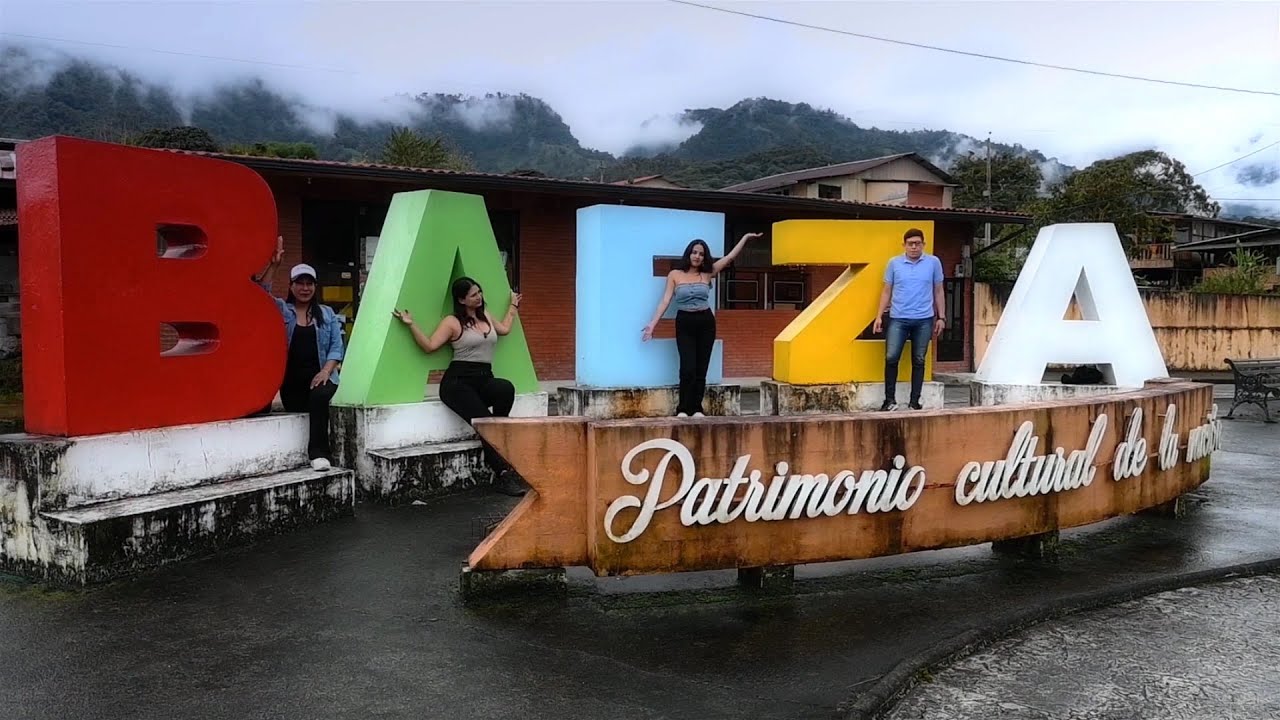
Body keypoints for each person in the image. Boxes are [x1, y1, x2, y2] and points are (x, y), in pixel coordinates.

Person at [392, 277, 527, 497]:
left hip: (484, 378)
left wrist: (513, 305)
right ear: (461, 300)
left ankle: (497, 437)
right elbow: (430, 346)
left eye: (479, 292)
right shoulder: (452, 322)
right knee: (485, 423)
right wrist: (411, 324)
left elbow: (504, 329)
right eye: (473, 295)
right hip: (458, 382)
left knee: (505, 389)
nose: (479, 297)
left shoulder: (486, 316)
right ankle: (502, 473)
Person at [642, 232, 763, 417]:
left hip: (706, 322)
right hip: (685, 322)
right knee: (687, 368)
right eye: (694, 252)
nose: (697, 256)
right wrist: (652, 325)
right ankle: (683, 408)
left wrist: (745, 237)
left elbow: (729, 258)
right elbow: (665, 300)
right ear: (688, 253)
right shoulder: (675, 274)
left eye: (701, 254)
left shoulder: (707, 273)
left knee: (701, 368)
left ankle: (697, 408)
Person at [255, 237, 346, 471]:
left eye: (309, 284)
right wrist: (274, 265)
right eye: (300, 283)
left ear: (315, 287)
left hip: (322, 378)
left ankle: (319, 454)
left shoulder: (327, 314)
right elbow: (259, 295)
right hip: (293, 383)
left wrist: (325, 371)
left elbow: (336, 348)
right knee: (297, 405)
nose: (305, 288)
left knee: (319, 396)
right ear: (291, 286)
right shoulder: (283, 310)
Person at [872, 228, 945, 411]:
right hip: (898, 318)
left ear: (923, 245)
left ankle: (914, 402)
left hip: (924, 319)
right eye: (910, 244)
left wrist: (942, 317)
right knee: (891, 357)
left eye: (917, 243)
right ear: (904, 245)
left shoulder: (933, 262)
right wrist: (879, 316)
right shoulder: (894, 263)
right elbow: (886, 291)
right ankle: (889, 400)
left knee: (919, 360)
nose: (914, 247)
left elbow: (938, 290)